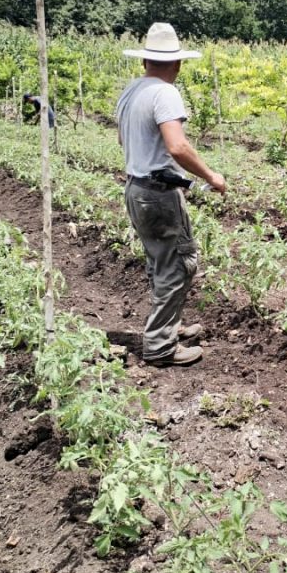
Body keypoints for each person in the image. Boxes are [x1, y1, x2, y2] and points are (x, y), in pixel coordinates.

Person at [116, 22, 227, 367]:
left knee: (160, 262)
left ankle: (169, 326)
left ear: (144, 61)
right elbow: (177, 146)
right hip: (158, 194)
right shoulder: (165, 93)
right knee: (178, 265)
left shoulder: (131, 91)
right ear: (177, 64)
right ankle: (161, 346)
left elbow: (124, 141)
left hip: (136, 188)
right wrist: (211, 176)